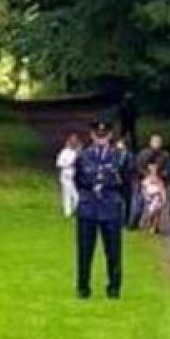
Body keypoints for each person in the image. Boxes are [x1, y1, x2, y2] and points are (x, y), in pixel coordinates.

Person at [73, 121, 125, 299]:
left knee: (113, 251)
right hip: (88, 207)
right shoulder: (83, 156)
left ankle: (114, 288)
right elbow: (78, 180)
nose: (100, 139)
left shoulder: (119, 156)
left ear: (110, 136)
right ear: (92, 135)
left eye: (104, 135)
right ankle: (83, 287)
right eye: (97, 135)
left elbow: (125, 183)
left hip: (111, 207)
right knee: (85, 250)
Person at [55, 132, 80, 218]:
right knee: (67, 195)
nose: (74, 143)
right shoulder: (64, 152)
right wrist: (69, 164)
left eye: (75, 141)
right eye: (72, 141)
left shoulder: (77, 152)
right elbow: (59, 163)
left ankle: (76, 211)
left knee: (76, 196)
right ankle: (67, 213)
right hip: (66, 176)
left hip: (75, 177)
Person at [138, 159, 166, 233]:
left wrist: (164, 198)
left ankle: (154, 227)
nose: (153, 171)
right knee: (151, 213)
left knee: (156, 212)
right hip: (149, 198)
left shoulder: (159, 180)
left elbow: (162, 189)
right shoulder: (145, 180)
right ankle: (150, 224)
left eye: (154, 170)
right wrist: (145, 196)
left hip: (157, 197)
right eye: (152, 170)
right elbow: (143, 189)